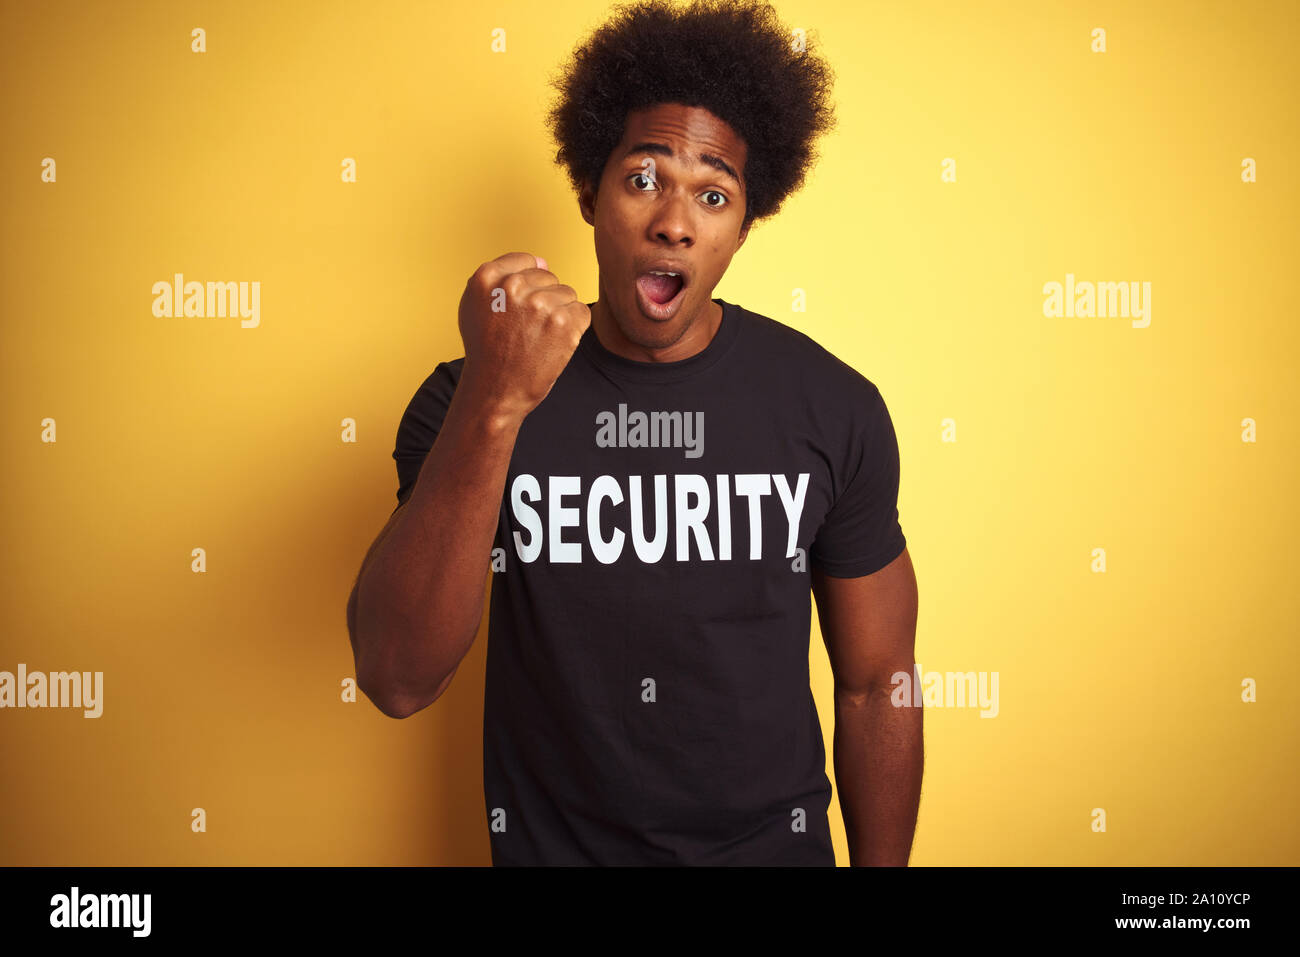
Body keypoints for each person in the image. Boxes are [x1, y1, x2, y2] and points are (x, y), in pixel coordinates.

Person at [347, 0, 921, 866]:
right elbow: (395, 676)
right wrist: (495, 405)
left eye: (714, 194)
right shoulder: (467, 397)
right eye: (645, 177)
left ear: (742, 226)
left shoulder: (831, 408)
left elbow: (879, 684)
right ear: (589, 191)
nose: (674, 221)